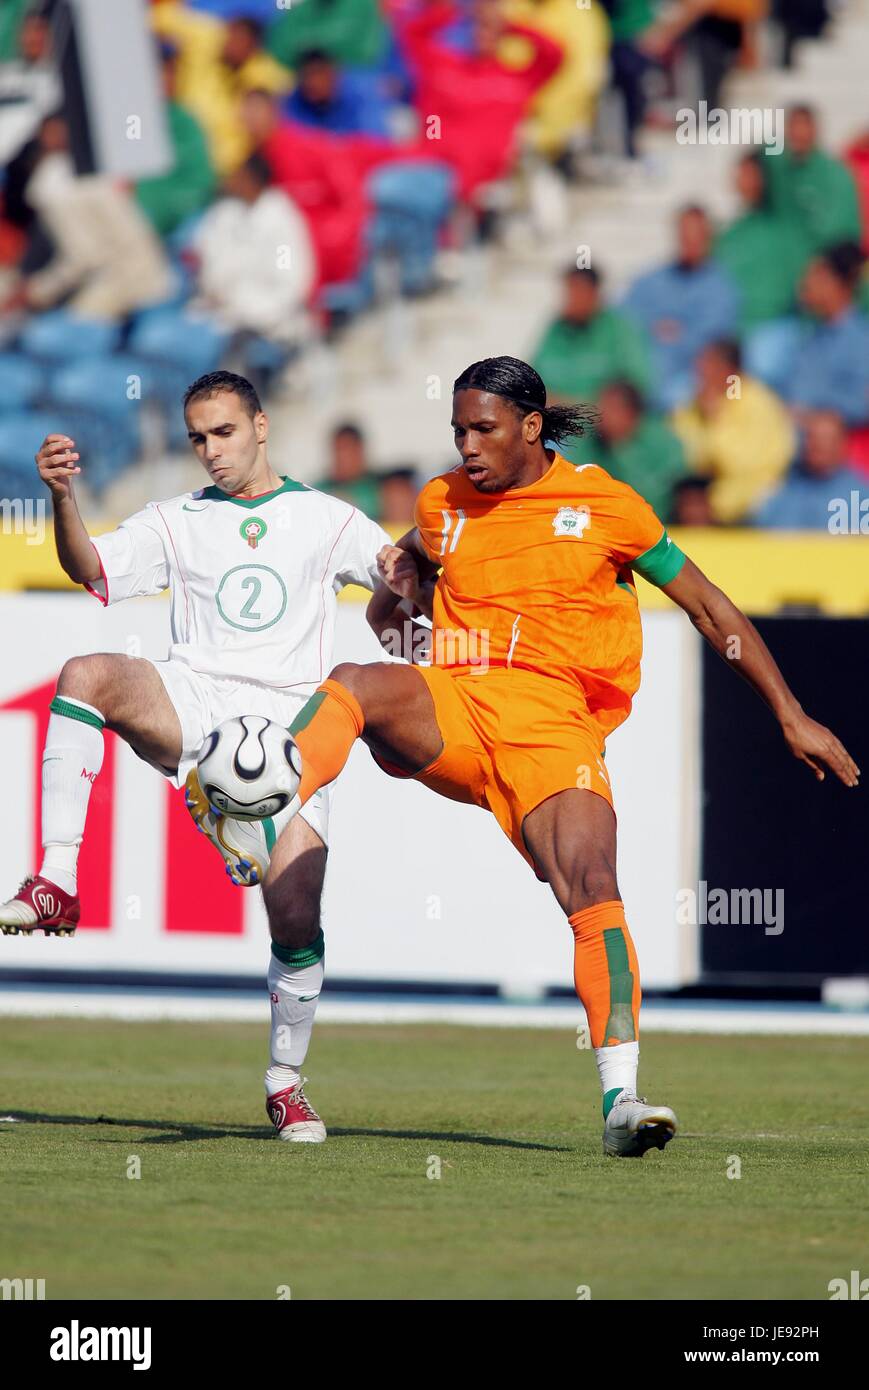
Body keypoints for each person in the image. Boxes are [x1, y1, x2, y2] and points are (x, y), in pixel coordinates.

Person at [276, 356, 859, 1157]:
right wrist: (407, 599)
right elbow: (388, 610)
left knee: (589, 886)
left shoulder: (604, 505)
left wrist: (789, 714)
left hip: (555, 732)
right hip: (456, 706)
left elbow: (707, 604)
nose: (467, 446)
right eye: (456, 430)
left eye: (482, 429)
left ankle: (622, 1097)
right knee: (354, 683)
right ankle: (260, 810)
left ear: (529, 426)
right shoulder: (441, 505)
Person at [0, 371, 394, 1146]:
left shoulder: (327, 519)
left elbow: (397, 578)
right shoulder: (176, 520)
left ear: (260, 425)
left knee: (294, 916)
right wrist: (62, 499)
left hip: (289, 731)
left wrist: (424, 580)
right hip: (196, 700)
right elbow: (92, 571)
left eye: (223, 433)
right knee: (85, 675)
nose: (211, 452)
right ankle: (57, 880)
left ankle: (285, 1085)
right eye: (197, 439)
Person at [622, 205, 741, 410]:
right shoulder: (652, 279)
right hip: (642, 368)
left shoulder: (721, 288)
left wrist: (676, 335)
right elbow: (624, 318)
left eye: (696, 236)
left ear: (708, 238)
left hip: (688, 376)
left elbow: (714, 343)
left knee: (673, 395)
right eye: (684, 235)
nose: (690, 242)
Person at [670, 339, 795, 523]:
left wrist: (714, 422)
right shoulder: (692, 404)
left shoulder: (758, 403)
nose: (700, 372)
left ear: (728, 370)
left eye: (708, 365)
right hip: (704, 505)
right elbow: (682, 454)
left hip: (751, 506)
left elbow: (742, 463)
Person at [715, 151, 812, 331]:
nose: (743, 182)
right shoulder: (733, 233)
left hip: (778, 325)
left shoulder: (786, 223)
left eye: (750, 175)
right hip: (735, 327)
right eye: (741, 175)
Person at [568, 379, 686, 521]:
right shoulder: (589, 441)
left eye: (611, 409)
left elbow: (664, 492)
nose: (602, 416)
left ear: (631, 412)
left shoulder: (662, 442)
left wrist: (620, 447)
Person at [531, 265, 652, 404]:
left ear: (595, 293)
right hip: (554, 417)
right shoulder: (555, 329)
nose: (572, 298)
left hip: (600, 420)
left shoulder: (619, 329)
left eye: (579, 291)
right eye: (569, 291)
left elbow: (637, 384)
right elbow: (532, 377)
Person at [785, 242, 869, 427]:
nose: (805, 283)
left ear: (839, 283)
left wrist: (815, 410)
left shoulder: (861, 341)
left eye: (817, 276)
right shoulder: (812, 337)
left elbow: (863, 404)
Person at [764, 105, 862, 254]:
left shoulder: (835, 174)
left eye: (803, 127)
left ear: (815, 130)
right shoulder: (778, 167)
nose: (798, 134)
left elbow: (839, 229)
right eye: (793, 127)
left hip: (825, 258)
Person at [752, 410, 869, 529]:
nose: (819, 445)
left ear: (842, 443)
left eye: (827, 439)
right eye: (813, 437)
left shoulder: (861, 496)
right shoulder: (782, 485)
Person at [315, 423, 383, 519]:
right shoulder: (319, 490)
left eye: (346, 451)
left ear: (359, 451)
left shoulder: (380, 489)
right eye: (338, 451)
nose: (341, 459)